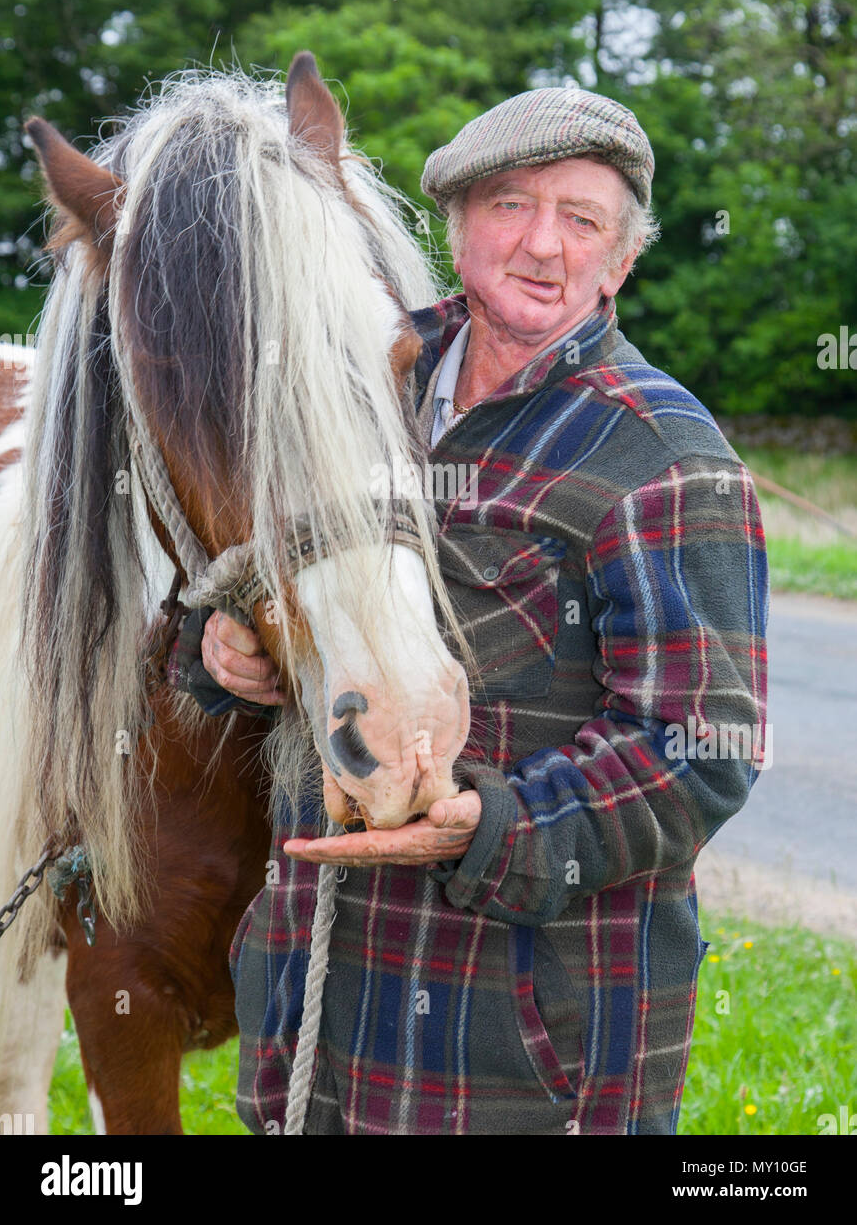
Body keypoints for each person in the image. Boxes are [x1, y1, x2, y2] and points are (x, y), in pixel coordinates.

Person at [168, 86, 769, 1134]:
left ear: (619, 261)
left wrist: (494, 824)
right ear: (454, 229)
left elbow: (698, 750)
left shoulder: (660, 456)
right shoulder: (348, 376)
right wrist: (222, 651)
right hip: (313, 1021)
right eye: (508, 205)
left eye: (580, 219)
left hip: (516, 1050)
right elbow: (250, 567)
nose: (541, 244)